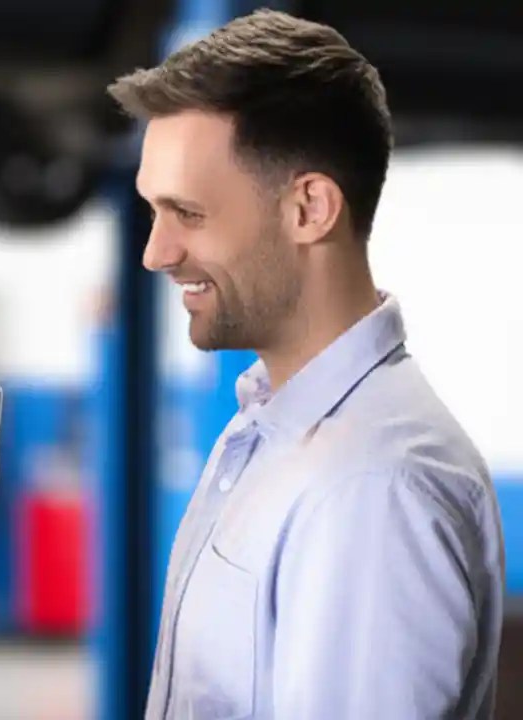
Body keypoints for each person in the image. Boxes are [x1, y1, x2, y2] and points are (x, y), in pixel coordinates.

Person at [105, 9, 503, 719]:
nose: (156, 253)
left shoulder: (372, 489)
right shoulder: (273, 428)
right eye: (152, 212)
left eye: (187, 214)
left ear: (310, 208)